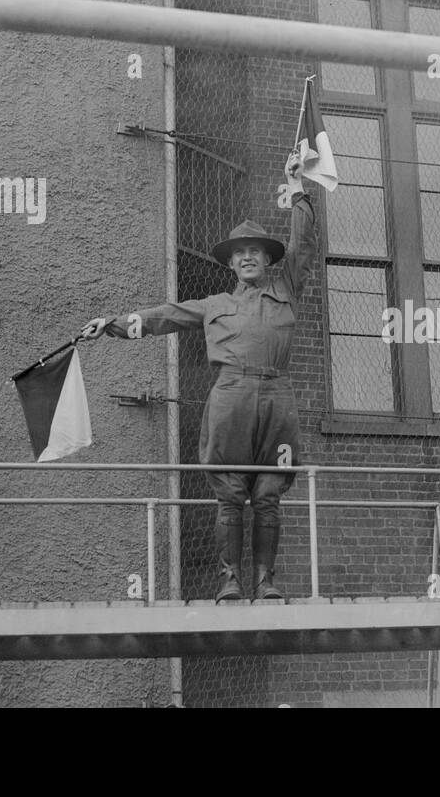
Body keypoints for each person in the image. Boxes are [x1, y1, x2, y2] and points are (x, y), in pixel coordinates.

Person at [81, 152, 315, 601]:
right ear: (231, 264)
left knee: (269, 491)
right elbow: (162, 316)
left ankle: (265, 581)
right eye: (240, 254)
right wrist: (109, 323)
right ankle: (230, 579)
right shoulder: (213, 306)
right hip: (231, 397)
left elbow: (304, 246)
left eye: (256, 252)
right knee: (229, 491)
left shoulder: (285, 290)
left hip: (277, 400)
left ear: (267, 260)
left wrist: (298, 188)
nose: (248, 258)